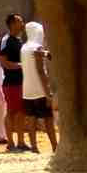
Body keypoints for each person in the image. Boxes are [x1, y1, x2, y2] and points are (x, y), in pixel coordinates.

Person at [21, 21, 58, 153]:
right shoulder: (37, 47)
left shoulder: (24, 47)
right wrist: (48, 93)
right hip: (40, 89)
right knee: (48, 119)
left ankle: (34, 147)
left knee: (31, 118)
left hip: (27, 90)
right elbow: (40, 71)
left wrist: (47, 53)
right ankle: (55, 145)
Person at [0, 12, 28, 151]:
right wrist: (21, 66)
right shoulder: (6, 40)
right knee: (11, 111)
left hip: (21, 81)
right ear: (12, 24)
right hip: (11, 82)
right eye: (19, 21)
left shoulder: (18, 40)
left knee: (21, 111)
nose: (22, 24)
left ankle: (21, 142)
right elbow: (3, 62)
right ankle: (10, 143)